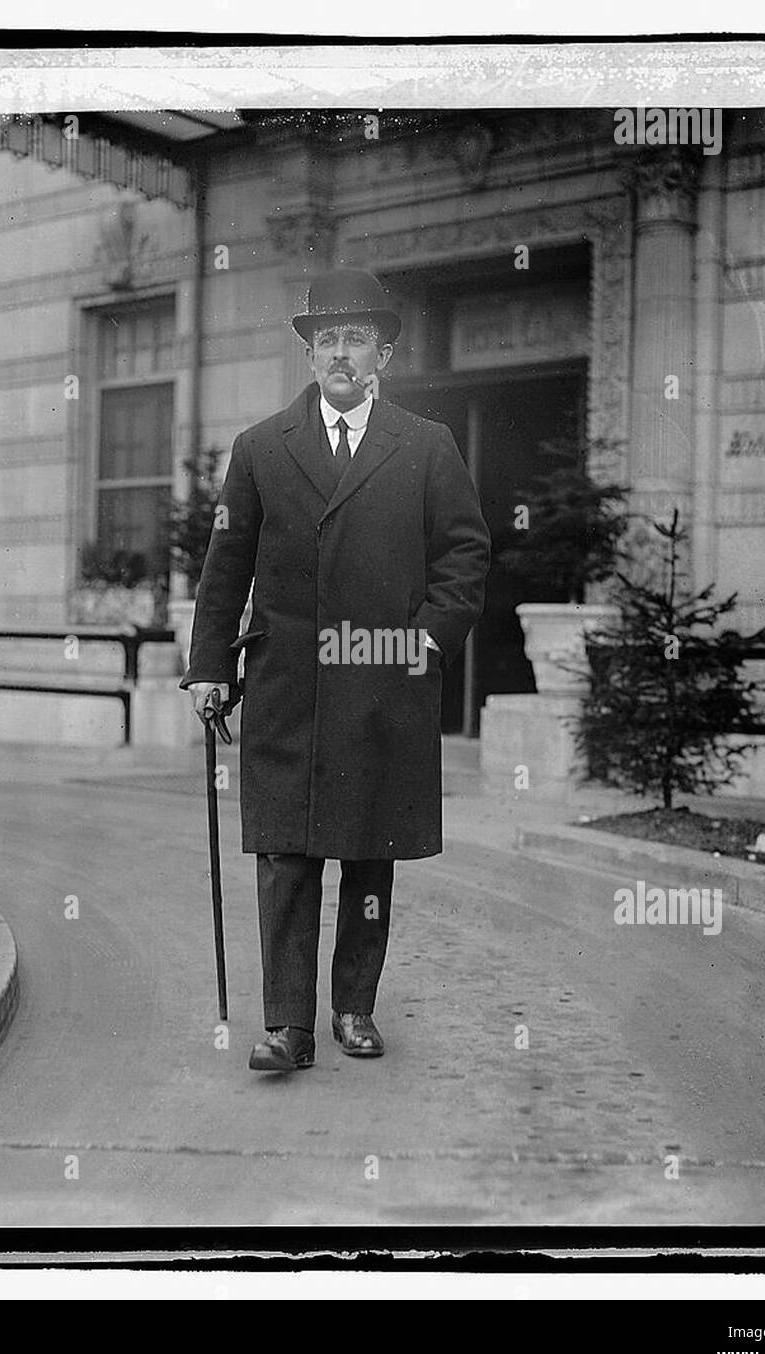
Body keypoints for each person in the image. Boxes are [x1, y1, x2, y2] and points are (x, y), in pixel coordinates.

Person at [181, 268, 491, 1072]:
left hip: (382, 684)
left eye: (356, 339)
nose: (341, 356)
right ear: (309, 356)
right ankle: (288, 1025)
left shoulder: (426, 446)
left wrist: (427, 641)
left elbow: (465, 554)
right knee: (285, 854)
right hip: (287, 684)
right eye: (326, 341)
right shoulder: (258, 450)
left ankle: (354, 1008)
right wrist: (208, 665)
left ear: (383, 353)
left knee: (367, 851)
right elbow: (226, 567)